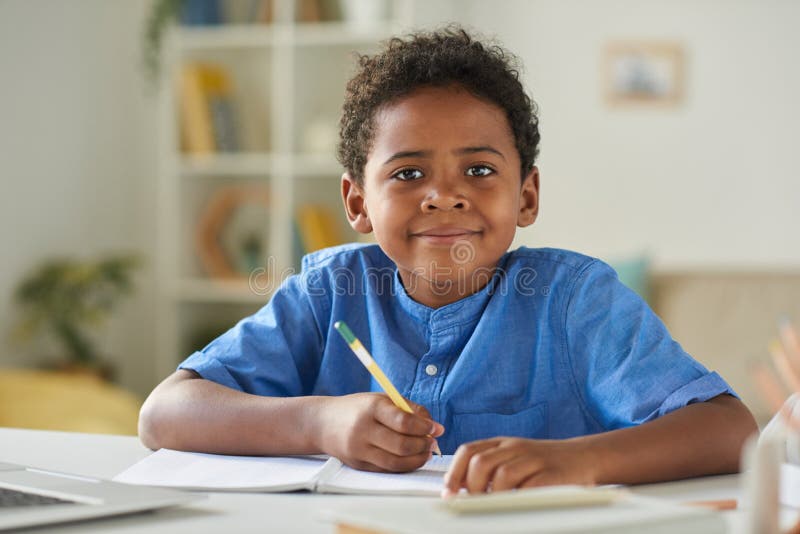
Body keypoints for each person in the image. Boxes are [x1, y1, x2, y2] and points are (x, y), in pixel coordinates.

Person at [139, 27, 757, 495]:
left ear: (527, 196)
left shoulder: (573, 300)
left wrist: (579, 460)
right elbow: (164, 414)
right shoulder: (328, 292)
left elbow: (730, 431)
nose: (445, 194)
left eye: (480, 170)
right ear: (358, 202)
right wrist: (320, 424)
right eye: (409, 173)